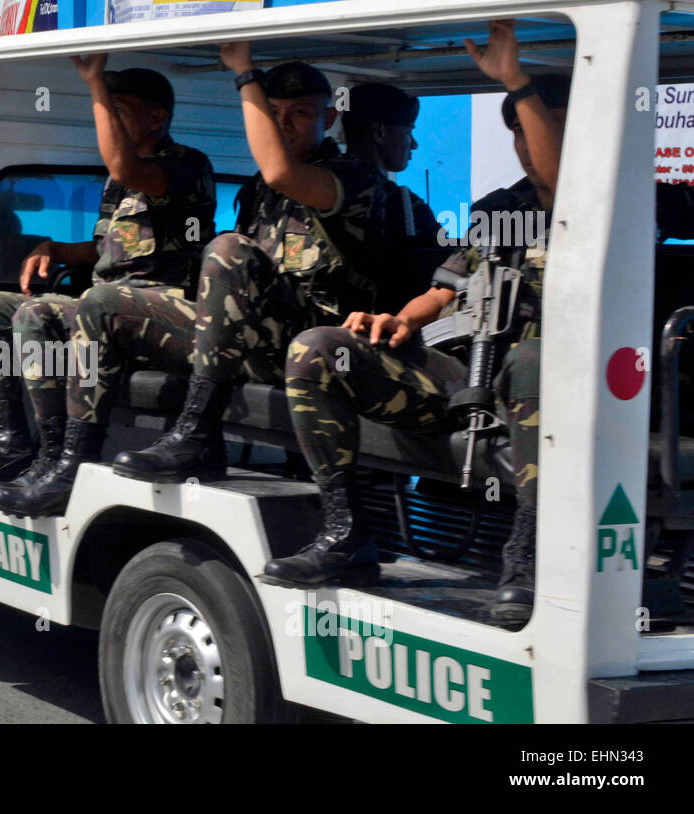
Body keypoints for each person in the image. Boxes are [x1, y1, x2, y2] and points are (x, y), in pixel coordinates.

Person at [261, 21, 566, 626]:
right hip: (473, 379)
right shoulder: (502, 211)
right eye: (518, 134)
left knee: (531, 361)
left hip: (563, 393)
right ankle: (347, 536)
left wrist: (517, 82)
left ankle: (528, 558)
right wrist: (396, 321)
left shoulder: (632, 199)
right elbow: (444, 289)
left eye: (541, 129)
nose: (528, 146)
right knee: (321, 348)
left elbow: (566, 188)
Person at [0, 60, 216, 502]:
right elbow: (105, 246)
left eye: (118, 108)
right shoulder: (117, 180)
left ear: (156, 118)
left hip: (163, 312)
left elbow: (126, 168)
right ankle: (15, 444)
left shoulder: (186, 166)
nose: (106, 117)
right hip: (104, 310)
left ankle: (62, 462)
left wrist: (93, 83)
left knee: (41, 311)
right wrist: (55, 249)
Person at [104, 53, 388, 487]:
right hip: (261, 339)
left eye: (299, 114)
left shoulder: (354, 174)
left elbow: (281, 174)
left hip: (319, 345)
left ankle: (196, 432)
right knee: (104, 302)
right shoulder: (257, 188)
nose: (283, 124)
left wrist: (243, 70)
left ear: (328, 117)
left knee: (227, 248)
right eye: (272, 114)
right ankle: (66, 456)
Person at [341, 82, 440, 248]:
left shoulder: (316, 185)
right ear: (379, 132)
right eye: (407, 132)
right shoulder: (399, 206)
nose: (414, 144)